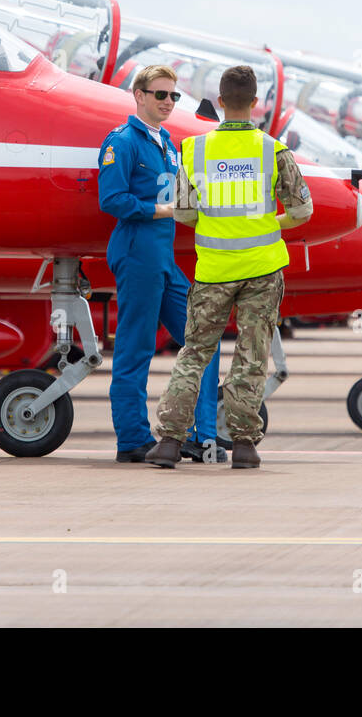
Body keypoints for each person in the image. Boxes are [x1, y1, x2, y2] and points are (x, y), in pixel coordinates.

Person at [146, 65, 313, 469]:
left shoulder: (194, 149)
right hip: (263, 267)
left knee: (194, 354)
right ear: (255, 104)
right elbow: (303, 209)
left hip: (214, 270)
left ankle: (169, 442)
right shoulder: (273, 150)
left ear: (220, 102)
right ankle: (243, 446)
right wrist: (269, 223)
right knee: (252, 356)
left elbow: (184, 214)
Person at [97, 64, 221, 463]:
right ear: (139, 95)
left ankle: (202, 434)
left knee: (202, 340)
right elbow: (111, 200)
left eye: (173, 96)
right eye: (160, 94)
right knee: (135, 349)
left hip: (163, 258)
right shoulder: (123, 142)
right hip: (137, 253)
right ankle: (132, 439)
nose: (168, 102)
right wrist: (163, 209)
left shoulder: (167, 144)